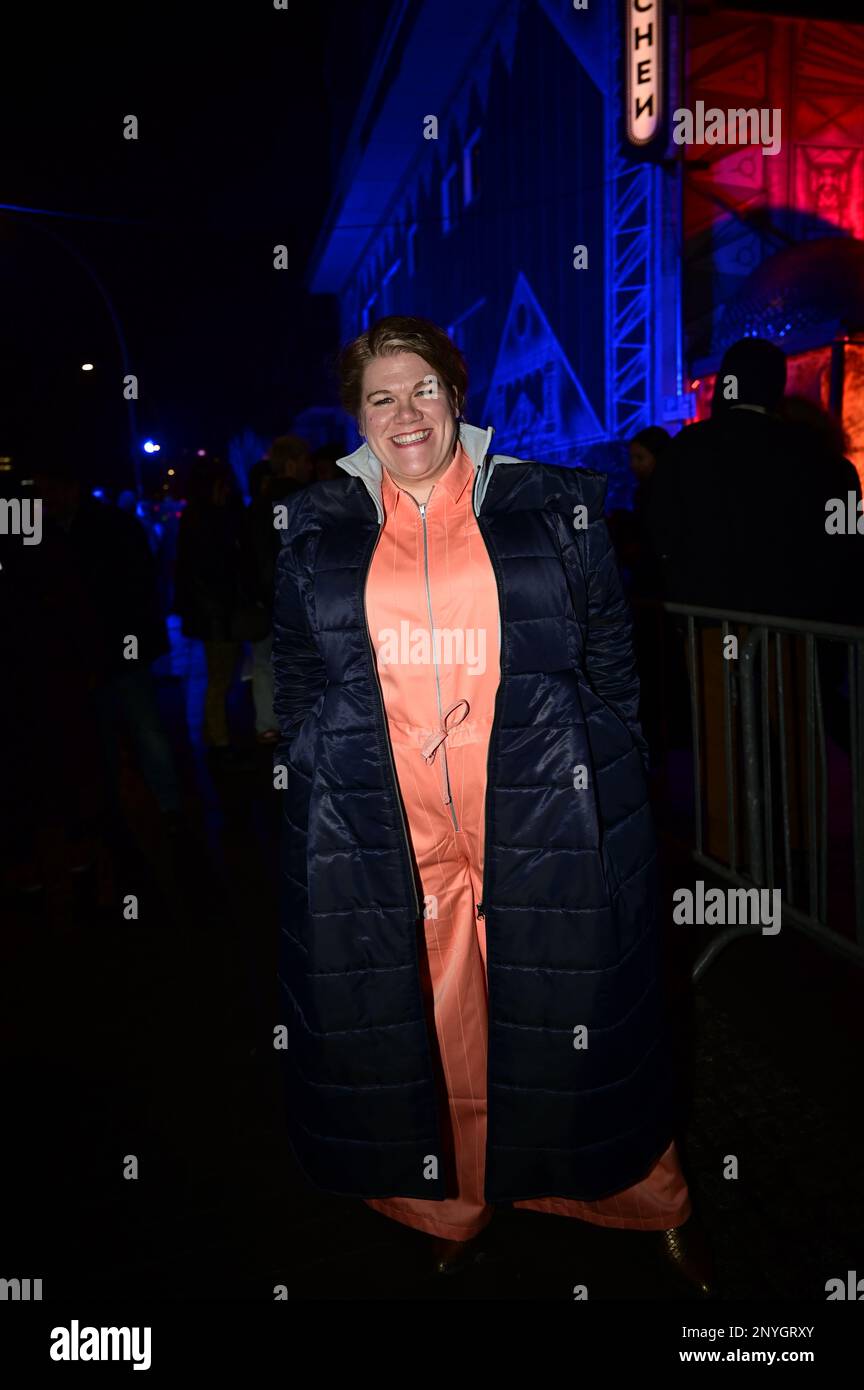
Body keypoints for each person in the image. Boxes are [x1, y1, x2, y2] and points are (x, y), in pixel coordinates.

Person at [271, 315, 713, 1292]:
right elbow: (301, 673)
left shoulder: (551, 506)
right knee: (430, 1019)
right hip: (391, 825)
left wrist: (613, 768)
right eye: (381, 397)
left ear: (456, 394)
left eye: (421, 388)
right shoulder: (317, 527)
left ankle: (644, 1198)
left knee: (582, 1008)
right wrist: (309, 765)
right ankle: (450, 1200)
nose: (405, 412)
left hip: (541, 812)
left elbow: (611, 662)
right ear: (358, 414)